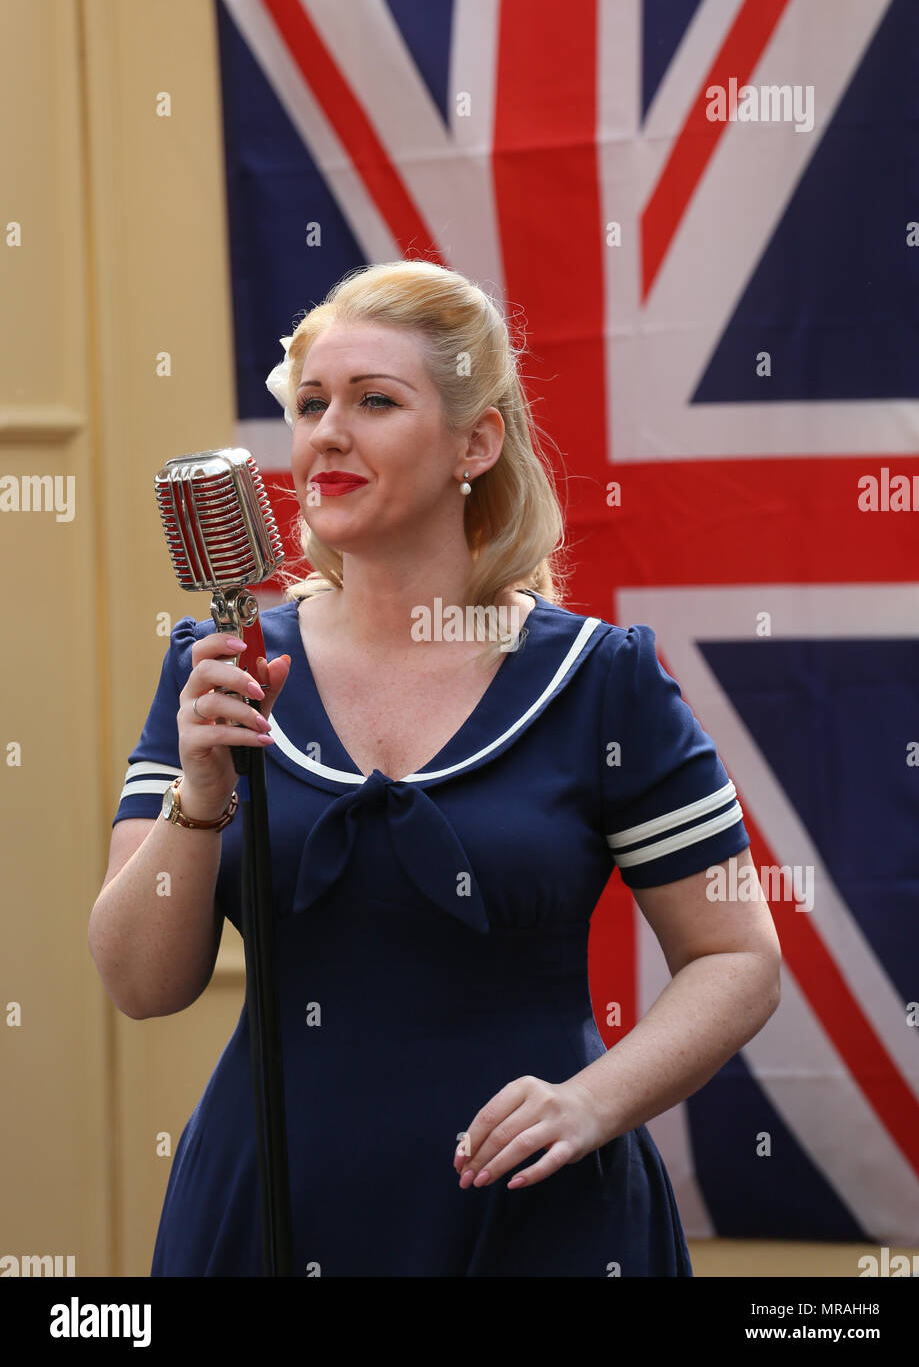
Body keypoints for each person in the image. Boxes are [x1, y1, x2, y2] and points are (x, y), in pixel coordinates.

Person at [89, 259, 781, 1277]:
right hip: (266, 1211)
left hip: (540, 1223)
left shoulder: (601, 681)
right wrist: (199, 798)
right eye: (312, 403)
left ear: (476, 443)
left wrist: (594, 1100)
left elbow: (738, 958)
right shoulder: (217, 667)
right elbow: (140, 983)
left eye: (375, 401)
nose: (329, 433)